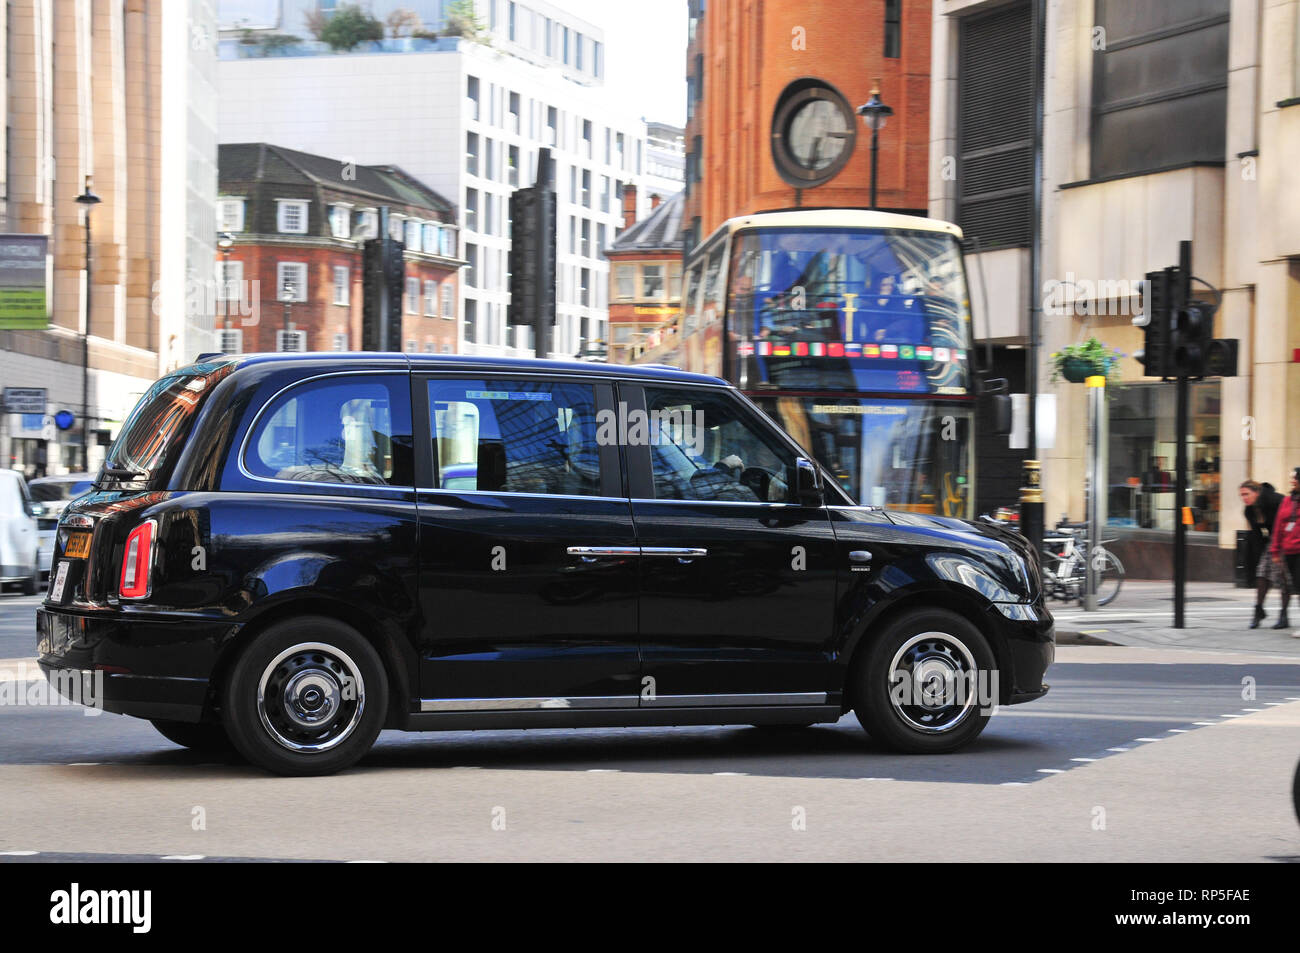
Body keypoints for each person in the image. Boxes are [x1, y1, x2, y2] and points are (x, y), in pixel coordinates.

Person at [1240, 479, 1287, 628]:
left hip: (1288, 538)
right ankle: (1258, 610)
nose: (1244, 498)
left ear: (1257, 492)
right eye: (1241, 495)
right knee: (1262, 573)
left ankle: (1283, 615)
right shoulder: (1249, 510)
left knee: (1283, 577)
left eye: (1246, 494)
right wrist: (1260, 556)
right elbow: (1257, 535)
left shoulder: (1276, 500)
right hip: (1272, 541)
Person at [1268, 467, 1300, 637]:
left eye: (1295, 478)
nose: (1292, 480)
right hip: (1289, 551)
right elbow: (1279, 526)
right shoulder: (1287, 501)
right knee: (1294, 585)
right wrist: (1275, 550)